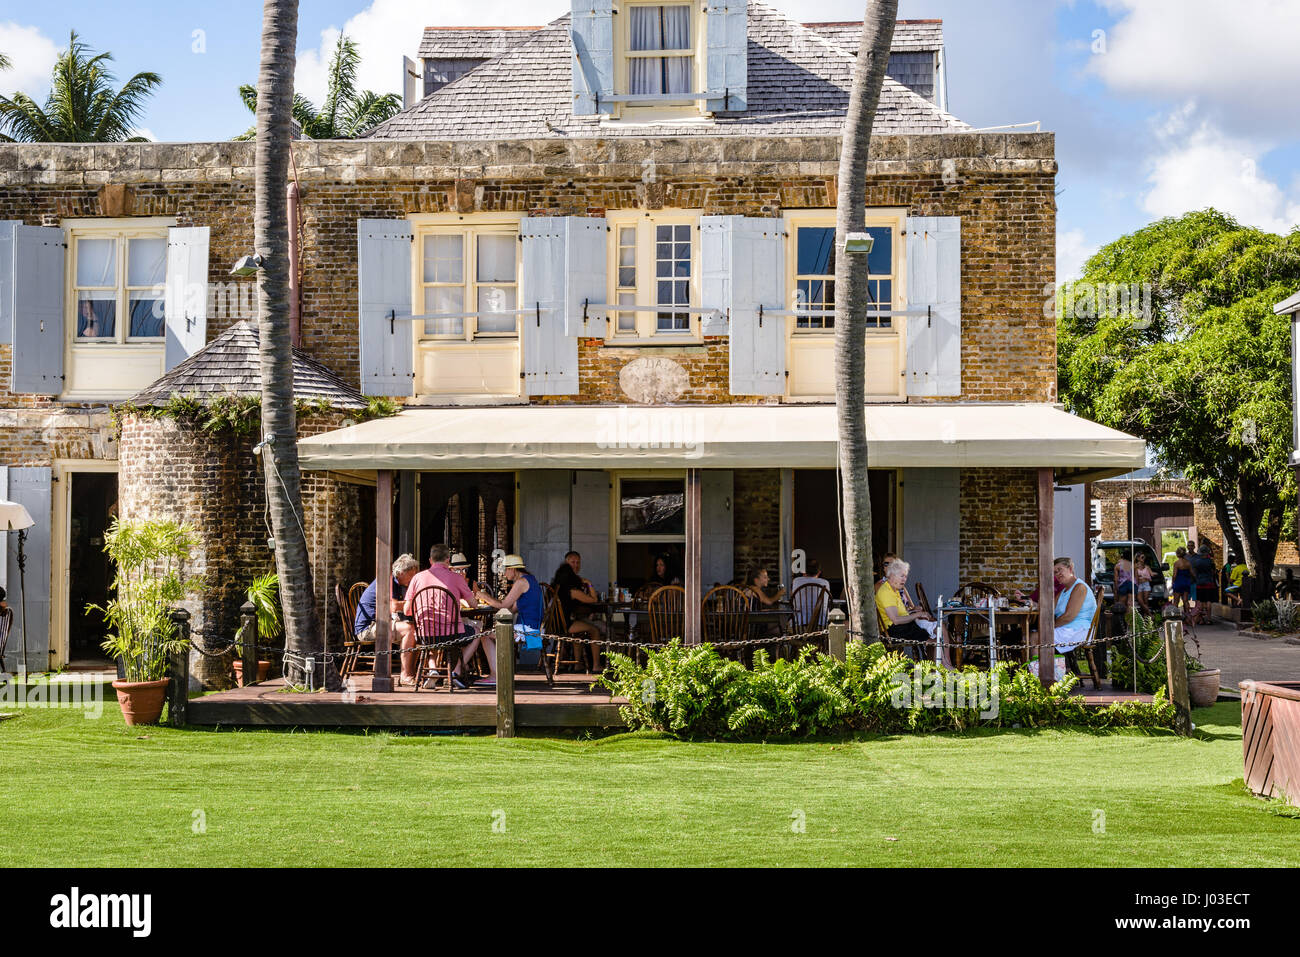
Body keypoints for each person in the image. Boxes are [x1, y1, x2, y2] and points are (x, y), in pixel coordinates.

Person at [354, 554, 420, 684]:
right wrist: (413, 603)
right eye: (411, 575)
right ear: (401, 572)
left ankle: (411, 672)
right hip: (368, 628)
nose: (413, 579)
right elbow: (394, 606)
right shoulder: (388, 581)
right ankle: (406, 675)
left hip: (381, 624)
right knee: (410, 630)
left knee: (417, 630)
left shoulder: (396, 583)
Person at [1028, 557, 1098, 677]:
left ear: (1070, 568)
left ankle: (1039, 678)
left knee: (1034, 637)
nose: (1057, 574)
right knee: (1030, 635)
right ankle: (1042, 674)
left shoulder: (1079, 587)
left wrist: (1048, 628)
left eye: (1060, 570)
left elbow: (1069, 617)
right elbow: (1049, 608)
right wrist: (1033, 602)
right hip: (1066, 628)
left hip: (1079, 630)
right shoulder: (1064, 590)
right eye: (1055, 572)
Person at [875, 559, 949, 665]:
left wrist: (914, 612)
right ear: (891, 576)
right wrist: (917, 615)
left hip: (904, 626)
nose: (904, 579)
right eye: (902, 576)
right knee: (935, 640)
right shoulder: (886, 592)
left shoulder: (893, 589)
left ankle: (938, 666)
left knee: (937, 630)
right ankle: (938, 667)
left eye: (905, 576)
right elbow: (895, 620)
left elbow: (902, 613)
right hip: (896, 630)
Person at [475, 554, 544, 648]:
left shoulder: (521, 582)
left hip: (527, 629)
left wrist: (484, 596)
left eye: (505, 570)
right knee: (490, 633)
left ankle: (496, 663)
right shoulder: (530, 579)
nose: (504, 574)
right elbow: (513, 609)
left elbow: (504, 605)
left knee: (485, 635)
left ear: (512, 569)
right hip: (534, 626)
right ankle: (497, 662)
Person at [552, 551, 604, 671]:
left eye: (578, 563)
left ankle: (577, 664)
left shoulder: (557, 585)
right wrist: (589, 584)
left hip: (554, 623)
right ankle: (596, 665)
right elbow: (593, 599)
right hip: (564, 625)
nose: (576, 566)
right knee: (594, 630)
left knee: (579, 632)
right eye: (572, 563)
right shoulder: (572, 591)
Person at [791, 558, 832, 628]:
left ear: (803, 571)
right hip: (821, 625)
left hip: (799, 625)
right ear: (819, 572)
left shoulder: (796, 581)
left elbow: (792, 600)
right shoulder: (825, 583)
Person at [1190, 542, 1218, 624]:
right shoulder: (1211, 562)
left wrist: (1198, 578)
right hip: (1209, 582)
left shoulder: (1197, 562)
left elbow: (1194, 573)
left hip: (1199, 583)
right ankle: (1209, 619)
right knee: (1208, 601)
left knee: (1201, 602)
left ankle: (1201, 620)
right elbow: (1213, 572)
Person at [1169, 546, 1193, 616]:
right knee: (1185, 600)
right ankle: (1188, 615)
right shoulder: (1188, 563)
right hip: (1186, 583)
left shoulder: (1176, 563)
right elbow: (1192, 573)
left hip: (1178, 583)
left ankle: (1175, 616)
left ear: (1177, 554)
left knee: (1176, 601)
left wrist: (1173, 582)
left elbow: (1174, 575)